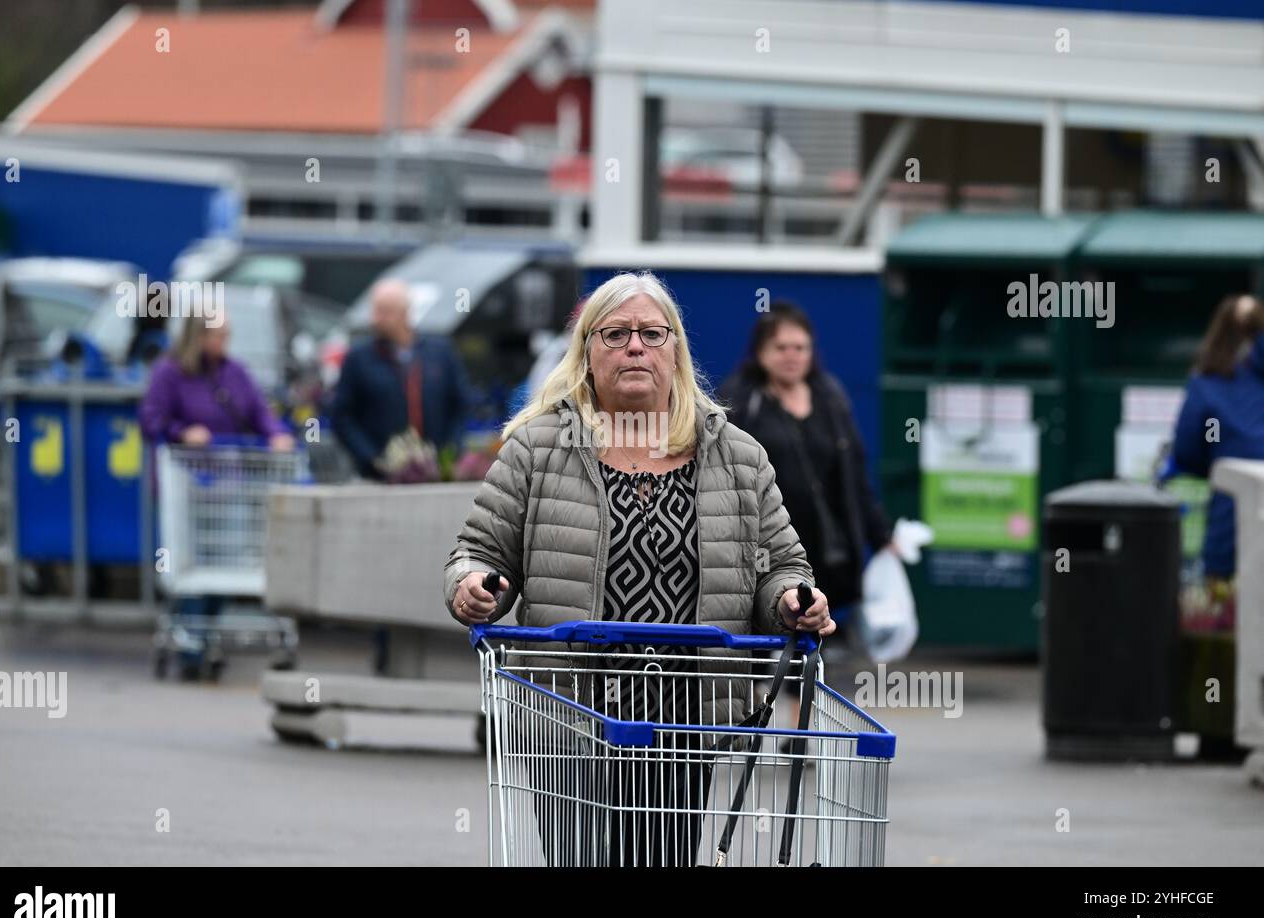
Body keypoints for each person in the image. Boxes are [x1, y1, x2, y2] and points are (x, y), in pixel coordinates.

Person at [445, 271, 835, 867]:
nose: (635, 347)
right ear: (586, 354)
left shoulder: (736, 456)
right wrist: (474, 587)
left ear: (675, 351)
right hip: (570, 719)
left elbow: (781, 566)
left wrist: (792, 601)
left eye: (652, 334)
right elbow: (478, 554)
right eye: (615, 334)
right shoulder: (538, 449)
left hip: (685, 723)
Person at [717, 301, 895, 656]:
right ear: (761, 353)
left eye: (800, 347)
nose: (792, 356)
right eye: (781, 347)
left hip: (823, 549)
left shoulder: (831, 397)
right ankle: (757, 709)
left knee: (808, 653)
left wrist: (882, 537)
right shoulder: (741, 399)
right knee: (757, 648)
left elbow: (855, 476)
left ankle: (802, 709)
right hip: (761, 545)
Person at [139, 311, 295, 678]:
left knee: (224, 562)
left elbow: (258, 412)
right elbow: (150, 420)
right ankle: (191, 637)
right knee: (190, 564)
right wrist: (182, 432)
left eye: (228, 335)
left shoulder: (233, 372)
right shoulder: (170, 373)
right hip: (187, 484)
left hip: (229, 484)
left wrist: (275, 434)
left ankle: (200, 633)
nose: (224, 343)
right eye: (219, 336)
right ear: (198, 336)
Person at [331, 279, 471, 480]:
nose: (376, 319)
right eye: (375, 310)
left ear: (405, 312)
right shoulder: (358, 358)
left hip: (436, 474)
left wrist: (450, 451)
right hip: (378, 479)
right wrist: (372, 459)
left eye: (385, 311)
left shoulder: (440, 352)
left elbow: (461, 406)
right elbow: (342, 417)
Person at [1172, 293, 1264, 588]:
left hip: (1230, 513)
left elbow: (1187, 450)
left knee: (1224, 612)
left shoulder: (1208, 384)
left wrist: (1215, 469)